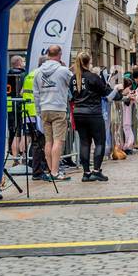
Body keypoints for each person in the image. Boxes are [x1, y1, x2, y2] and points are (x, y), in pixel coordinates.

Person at [33, 45, 72, 182]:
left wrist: (38, 110)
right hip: (58, 108)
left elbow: (36, 94)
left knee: (48, 141)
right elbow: (72, 84)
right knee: (58, 141)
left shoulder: (37, 72)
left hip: (44, 108)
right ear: (59, 55)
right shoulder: (63, 71)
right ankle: (55, 172)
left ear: (47, 54)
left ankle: (50, 170)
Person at [70, 51, 111, 181]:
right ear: (88, 62)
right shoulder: (93, 77)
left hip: (78, 112)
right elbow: (105, 92)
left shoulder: (73, 78)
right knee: (100, 142)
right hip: (93, 113)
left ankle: (86, 173)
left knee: (84, 143)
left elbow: (72, 94)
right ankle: (96, 171)